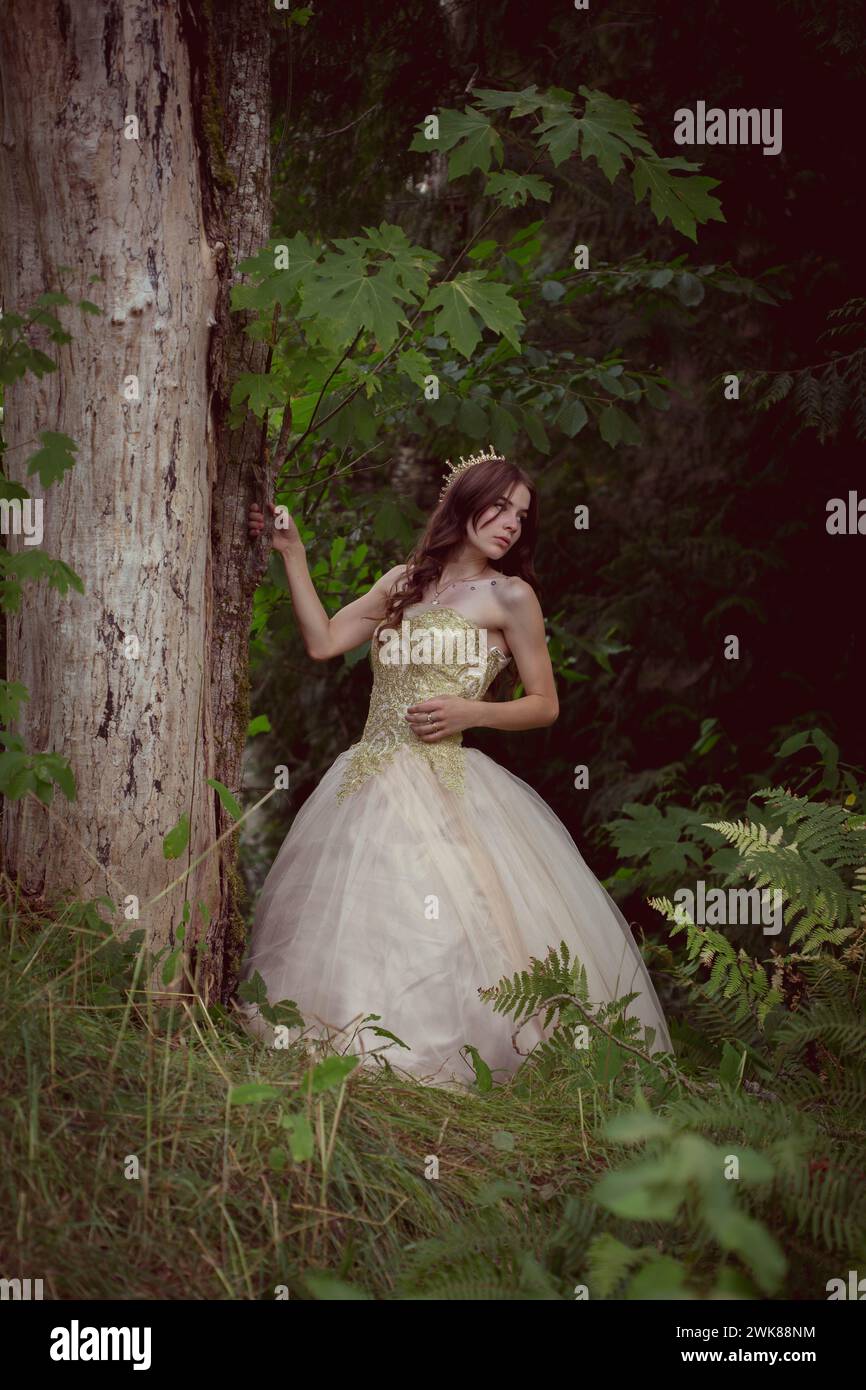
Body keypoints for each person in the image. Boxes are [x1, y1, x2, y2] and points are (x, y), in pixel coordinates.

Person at [239, 446, 672, 1086]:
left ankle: (439, 1057)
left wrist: (473, 713)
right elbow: (323, 641)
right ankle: (337, 1036)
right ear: (465, 503)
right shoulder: (403, 580)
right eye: (499, 507)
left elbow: (545, 704)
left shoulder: (512, 596)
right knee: (359, 912)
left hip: (445, 782)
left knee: (442, 915)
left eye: (522, 517)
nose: (509, 524)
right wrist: (293, 554)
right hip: (366, 778)